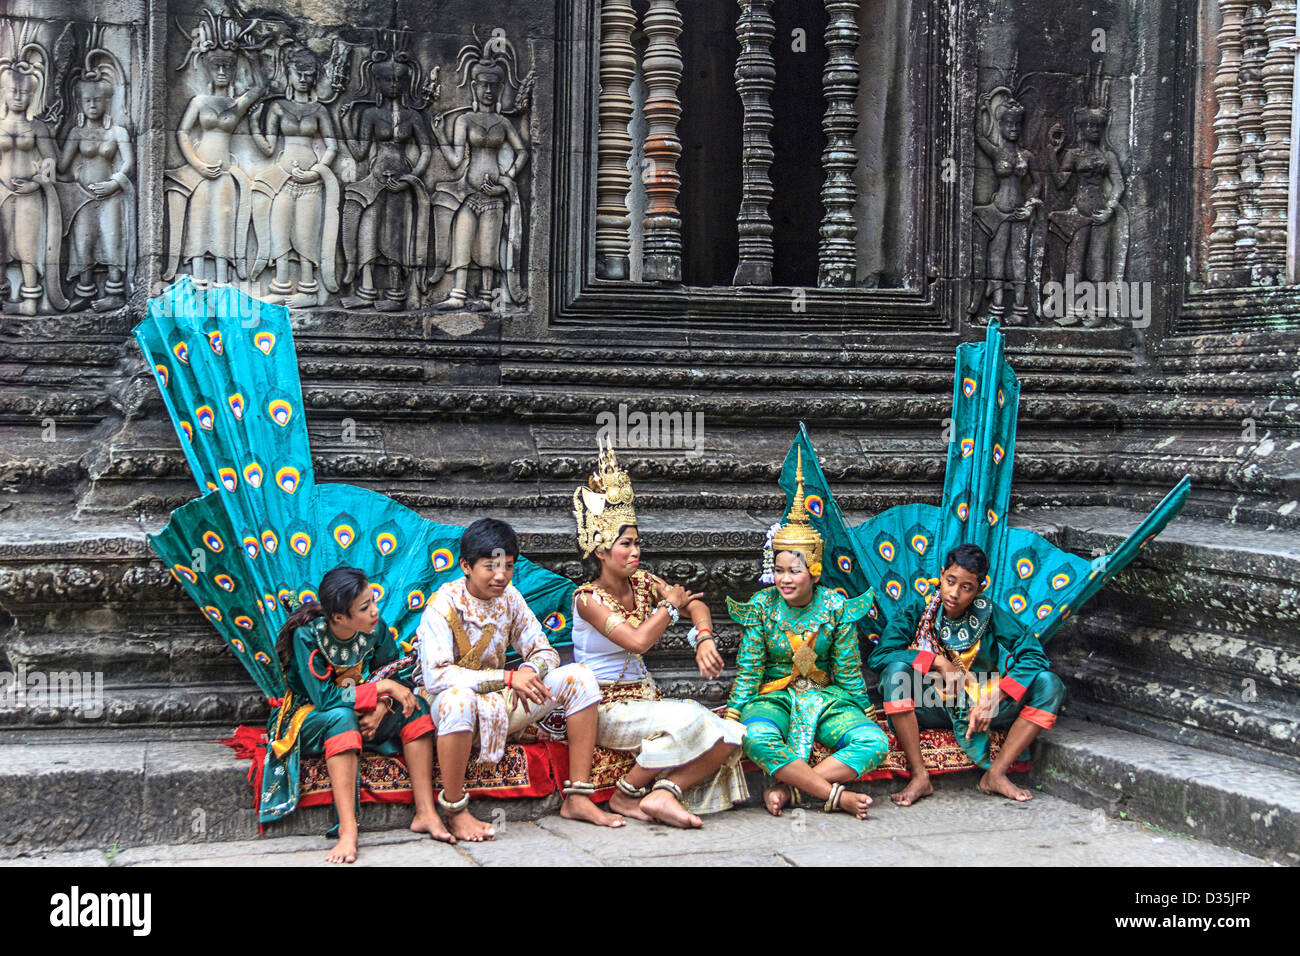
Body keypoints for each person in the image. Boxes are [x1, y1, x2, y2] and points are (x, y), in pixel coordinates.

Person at [570, 438, 747, 827]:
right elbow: (638, 640)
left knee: (732, 734)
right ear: (600, 551)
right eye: (626, 544)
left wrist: (703, 636)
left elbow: (694, 602)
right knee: (692, 718)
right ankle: (626, 794)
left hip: (645, 700)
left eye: (638, 543)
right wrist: (670, 606)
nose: (636, 551)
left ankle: (664, 794)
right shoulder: (586, 599)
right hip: (605, 707)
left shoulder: (644, 582)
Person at [415, 517, 623, 841]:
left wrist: (529, 670)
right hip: (446, 706)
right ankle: (455, 811)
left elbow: (545, 650)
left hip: (501, 699)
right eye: (491, 567)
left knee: (579, 677)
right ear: (466, 566)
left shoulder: (509, 597)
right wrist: (507, 677)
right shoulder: (442, 607)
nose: (501, 576)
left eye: (509, 566)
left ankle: (578, 796)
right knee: (458, 699)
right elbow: (438, 676)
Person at [725, 449, 889, 819]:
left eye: (794, 571)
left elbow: (847, 668)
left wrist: (864, 710)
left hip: (827, 697)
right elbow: (750, 669)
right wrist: (735, 711)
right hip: (774, 697)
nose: (784, 579)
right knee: (755, 736)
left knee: (873, 742)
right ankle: (834, 797)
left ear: (814, 572)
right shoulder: (762, 606)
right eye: (779, 570)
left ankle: (791, 788)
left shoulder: (835, 607)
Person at [870, 543, 1066, 806]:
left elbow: (1034, 654)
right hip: (933, 702)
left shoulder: (990, 613)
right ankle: (919, 777)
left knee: (1049, 684)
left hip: (983, 706)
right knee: (896, 674)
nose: (954, 593)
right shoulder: (917, 611)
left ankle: (996, 774)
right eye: (950, 581)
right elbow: (880, 656)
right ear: (941, 574)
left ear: (980, 588)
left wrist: (998, 694)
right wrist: (935, 661)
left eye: (966, 587)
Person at [270, 566, 441, 864]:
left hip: (362, 709)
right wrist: (380, 690)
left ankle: (425, 812)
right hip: (310, 717)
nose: (375, 611)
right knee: (340, 717)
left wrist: (383, 706)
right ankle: (348, 830)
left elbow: (394, 675)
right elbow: (325, 699)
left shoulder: (376, 629)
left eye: (373, 600)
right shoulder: (307, 637)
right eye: (365, 607)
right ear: (339, 618)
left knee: (416, 706)